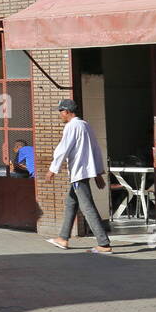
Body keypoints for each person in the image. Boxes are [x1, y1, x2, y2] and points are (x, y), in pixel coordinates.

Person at [44, 100, 112, 254]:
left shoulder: (71, 126)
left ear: (66, 111)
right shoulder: (85, 125)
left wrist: (52, 170)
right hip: (85, 172)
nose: (60, 115)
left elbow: (63, 149)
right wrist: (98, 173)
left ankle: (104, 244)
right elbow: (95, 149)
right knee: (71, 203)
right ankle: (63, 238)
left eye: (60, 112)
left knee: (87, 207)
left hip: (79, 173)